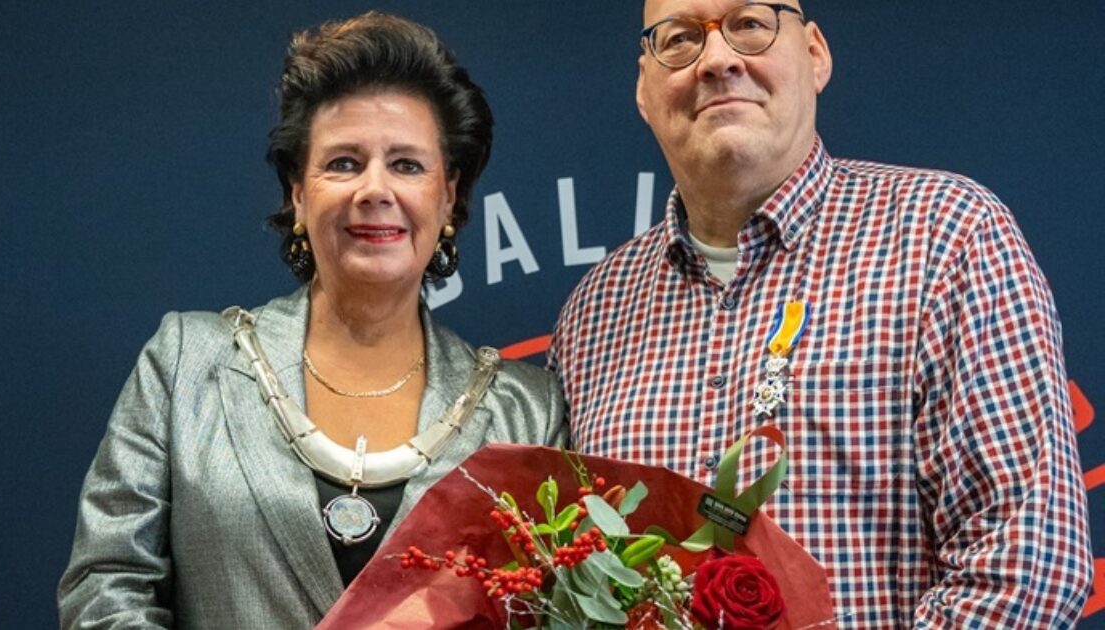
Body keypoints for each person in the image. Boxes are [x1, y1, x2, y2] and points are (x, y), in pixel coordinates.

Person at [548, 1, 1092, 627]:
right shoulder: (594, 312)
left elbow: (1023, 562)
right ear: (644, 91)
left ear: (813, 54)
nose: (718, 60)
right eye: (679, 40)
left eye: (749, 24)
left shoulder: (946, 236)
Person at [58, 13, 565, 628]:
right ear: (298, 192)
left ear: (450, 196)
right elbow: (105, 588)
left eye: (407, 164)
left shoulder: (526, 410)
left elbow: (540, 610)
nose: (374, 189)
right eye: (344, 163)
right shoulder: (187, 362)